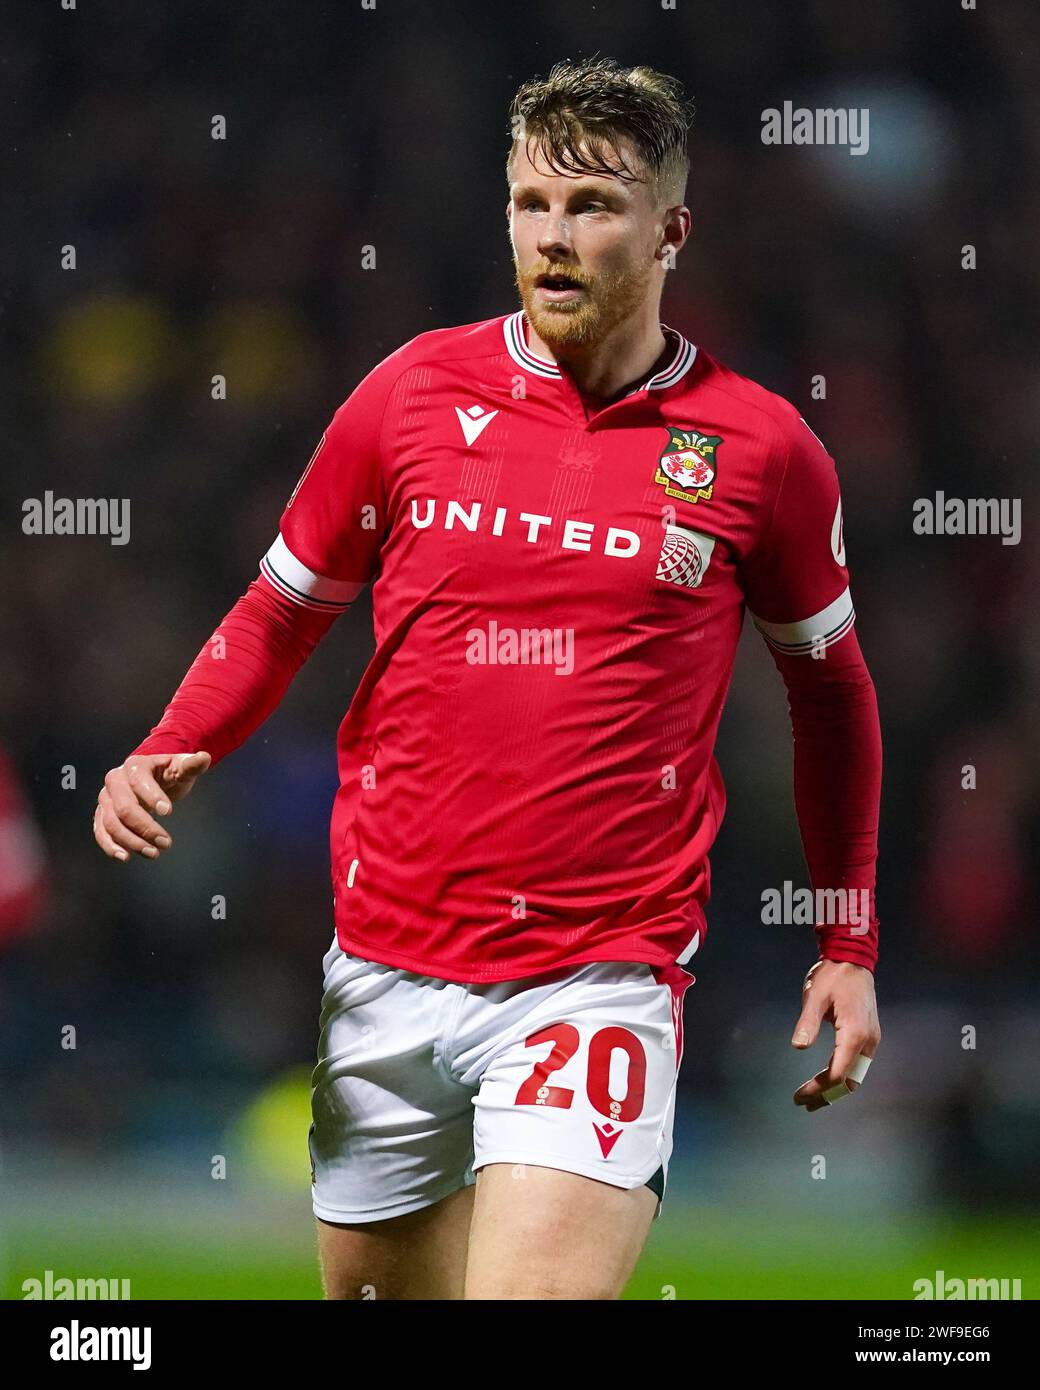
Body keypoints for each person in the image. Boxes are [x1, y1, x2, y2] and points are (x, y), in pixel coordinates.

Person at [92, 58, 882, 1300]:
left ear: (671, 229)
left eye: (591, 206)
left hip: (597, 971)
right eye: (529, 205)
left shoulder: (762, 449)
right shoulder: (410, 393)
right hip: (385, 966)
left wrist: (844, 934)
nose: (552, 238)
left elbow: (830, 693)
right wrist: (167, 741)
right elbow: (282, 608)